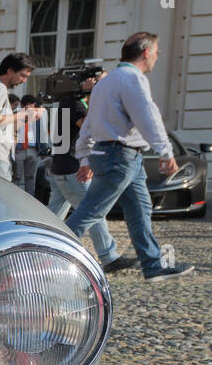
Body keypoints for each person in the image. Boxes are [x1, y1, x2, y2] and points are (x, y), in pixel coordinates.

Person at [67, 32, 193, 282]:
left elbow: (90, 124)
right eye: (156, 50)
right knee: (91, 211)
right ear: (146, 52)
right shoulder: (132, 79)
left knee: (140, 209)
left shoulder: (106, 82)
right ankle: (44, 253)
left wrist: (84, 157)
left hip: (118, 156)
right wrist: (165, 152)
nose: (158, 55)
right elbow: (147, 117)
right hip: (120, 156)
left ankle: (153, 266)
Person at [47, 69, 129, 273]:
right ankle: (109, 257)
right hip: (73, 170)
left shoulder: (68, 102)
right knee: (93, 212)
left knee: (52, 219)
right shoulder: (75, 104)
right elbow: (91, 126)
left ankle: (44, 249)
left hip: (61, 168)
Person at [12, 94, 46, 195]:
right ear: (23, 106)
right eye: (29, 106)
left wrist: (42, 149)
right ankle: (13, 196)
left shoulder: (37, 118)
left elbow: (41, 133)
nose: (31, 108)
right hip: (19, 148)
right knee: (17, 175)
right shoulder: (15, 115)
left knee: (30, 176)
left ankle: (30, 197)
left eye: (33, 106)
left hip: (33, 149)